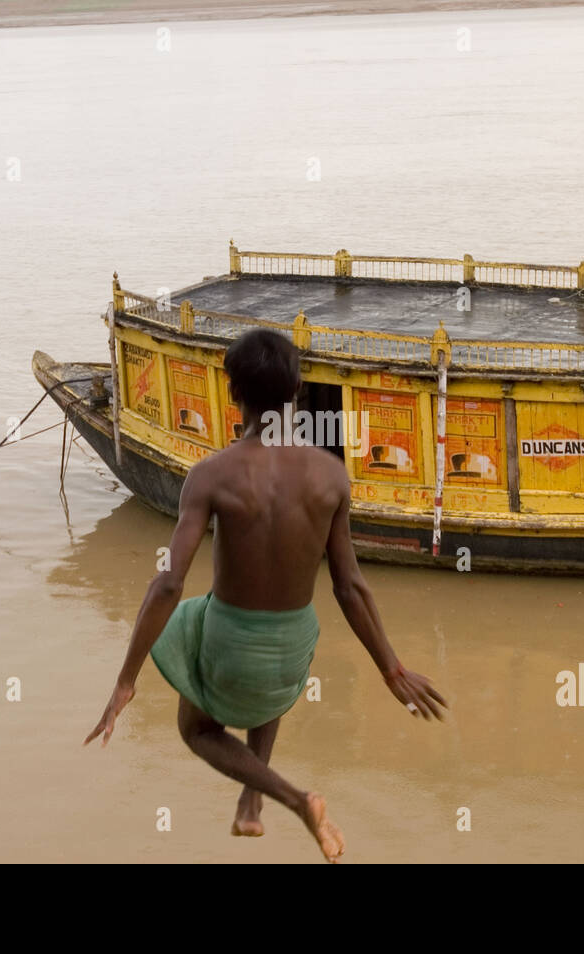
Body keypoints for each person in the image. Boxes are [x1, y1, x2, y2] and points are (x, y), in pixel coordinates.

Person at [84, 328, 448, 863]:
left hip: (234, 641)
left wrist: (125, 681)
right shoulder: (332, 475)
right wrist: (391, 669)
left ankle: (296, 800)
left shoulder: (211, 475)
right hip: (295, 647)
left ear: (233, 393)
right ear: (298, 390)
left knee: (197, 726)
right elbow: (348, 585)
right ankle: (249, 803)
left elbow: (168, 582)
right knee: (246, 651)